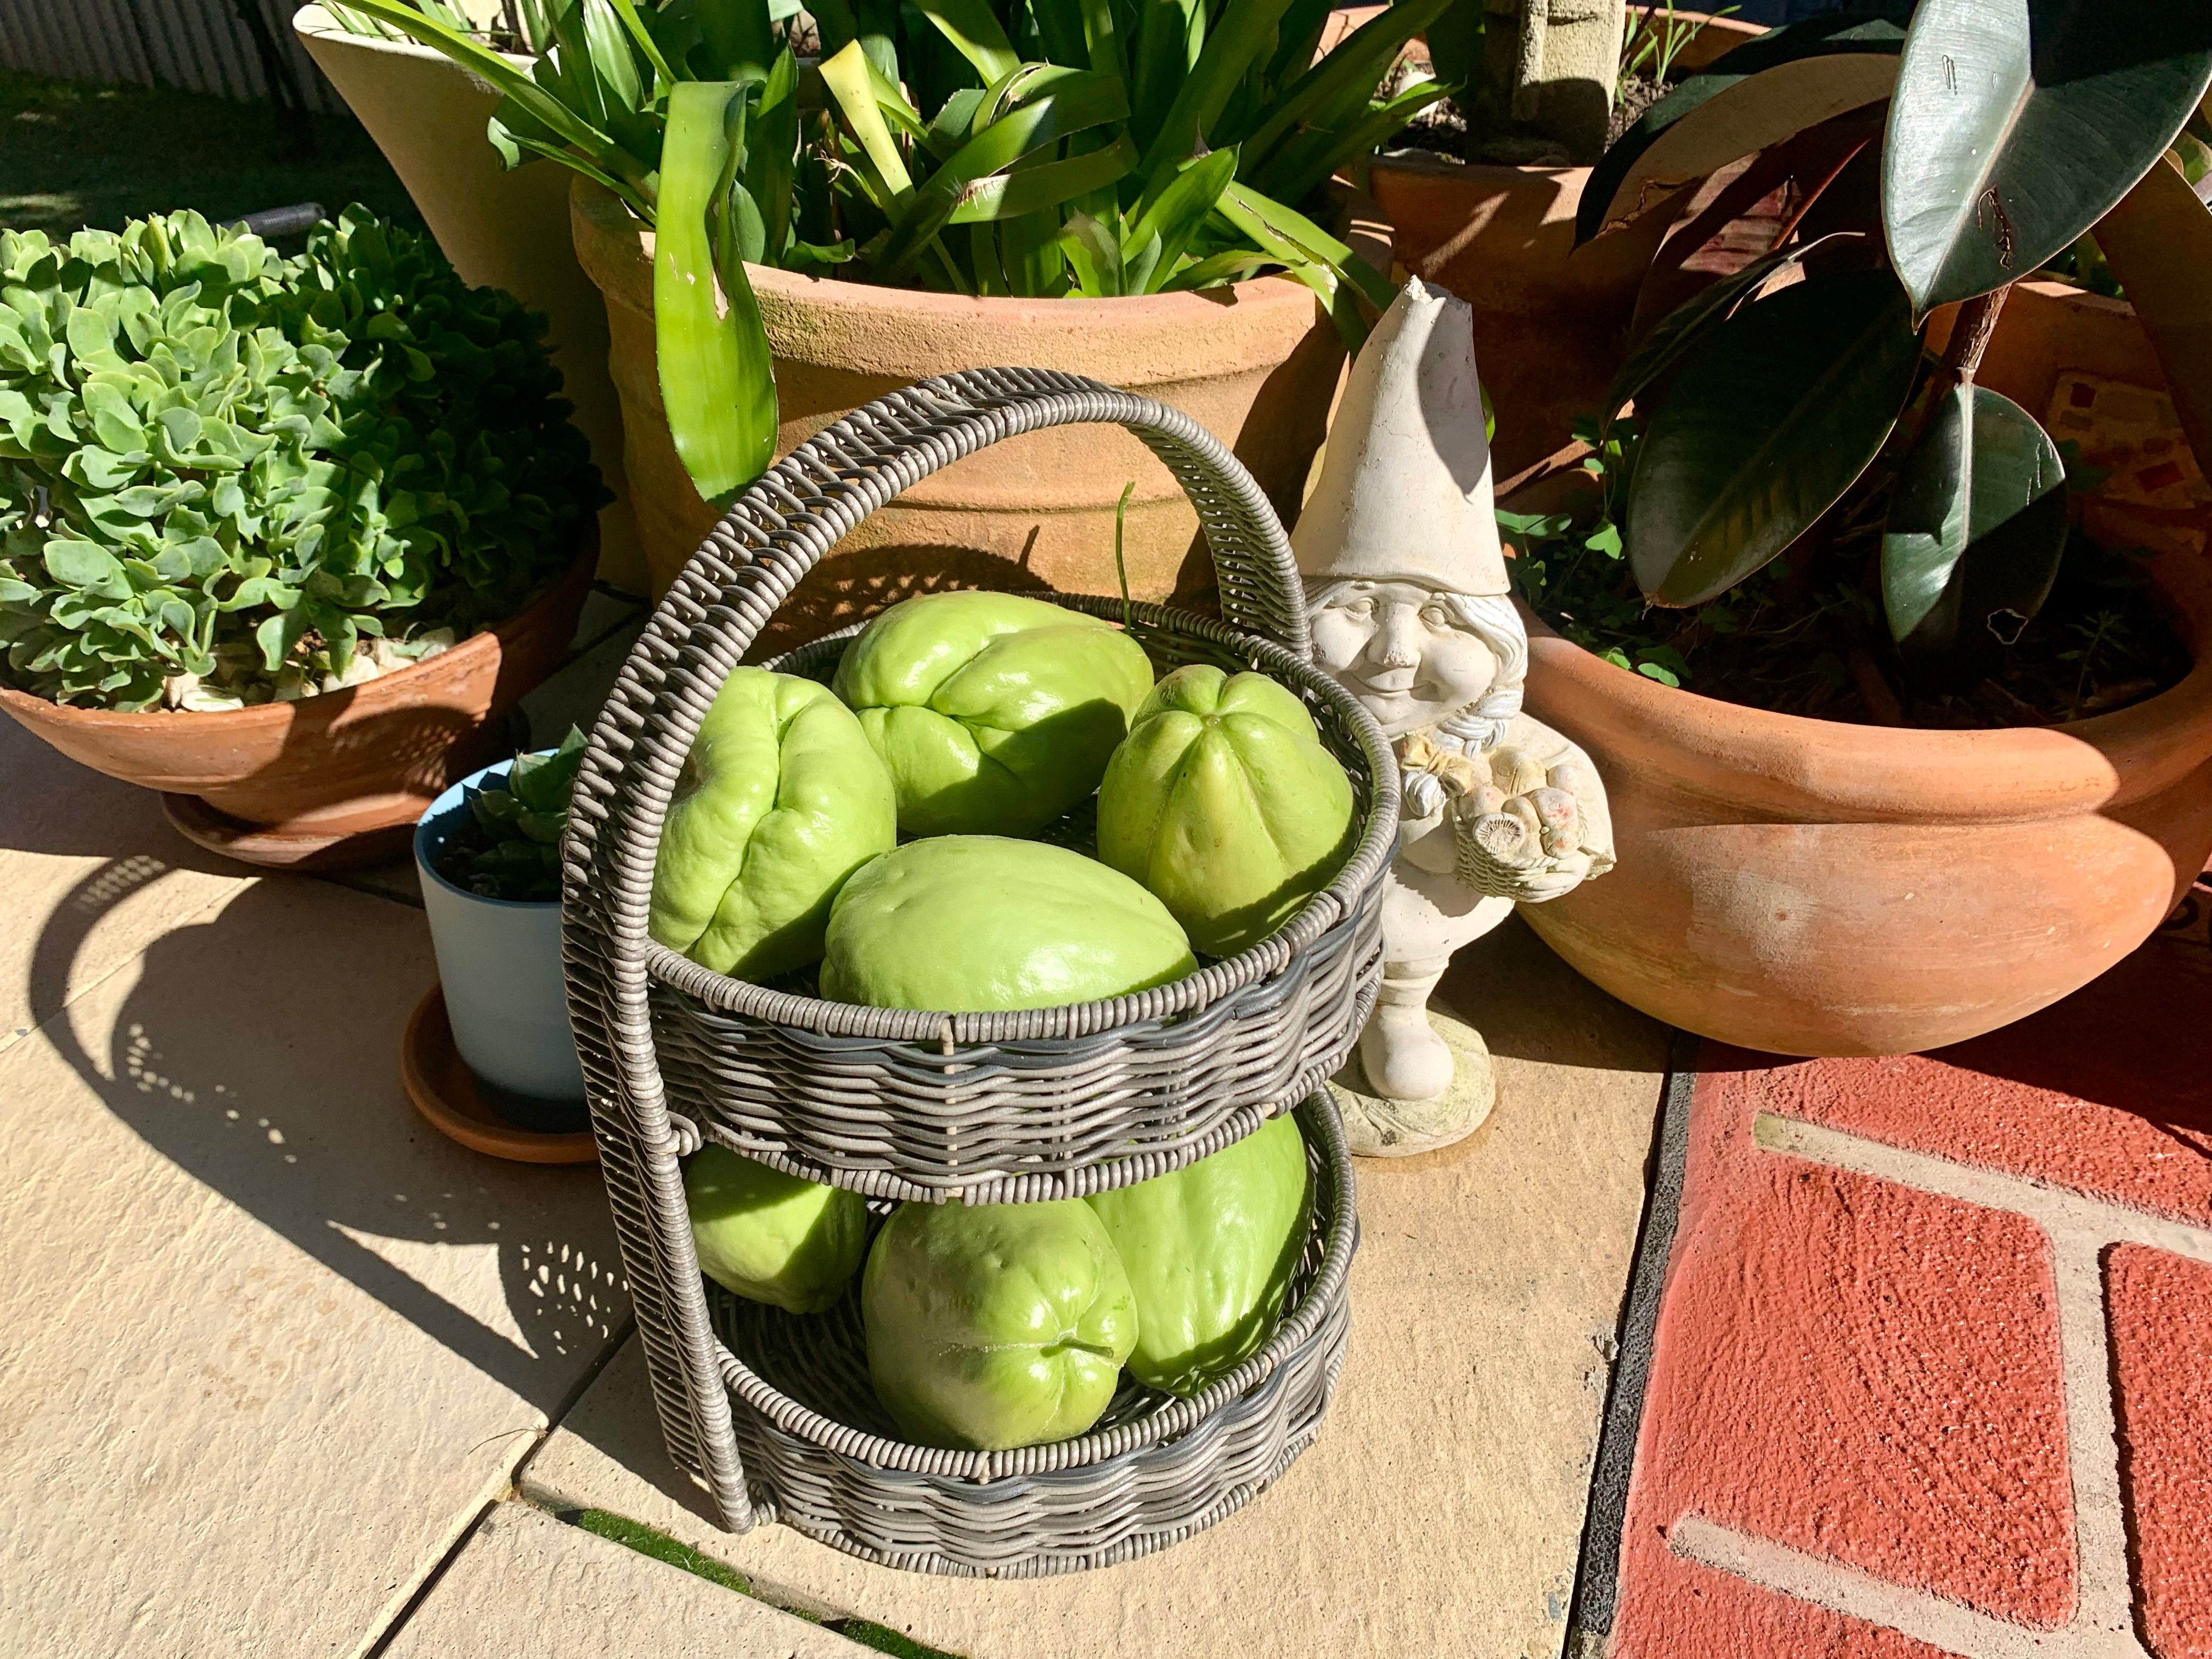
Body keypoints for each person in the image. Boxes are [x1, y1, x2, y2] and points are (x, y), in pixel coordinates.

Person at [1296, 278, 1614, 1154]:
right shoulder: (1279, 727)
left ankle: (1398, 1013)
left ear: (1497, 642)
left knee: (1407, 965)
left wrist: (1550, 844)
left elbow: (1566, 804)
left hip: (1418, 926)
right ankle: (1300, 1022)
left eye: (1439, 620)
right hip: (1298, 931)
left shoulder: (1498, 747)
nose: (1396, 652)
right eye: (1358, 606)